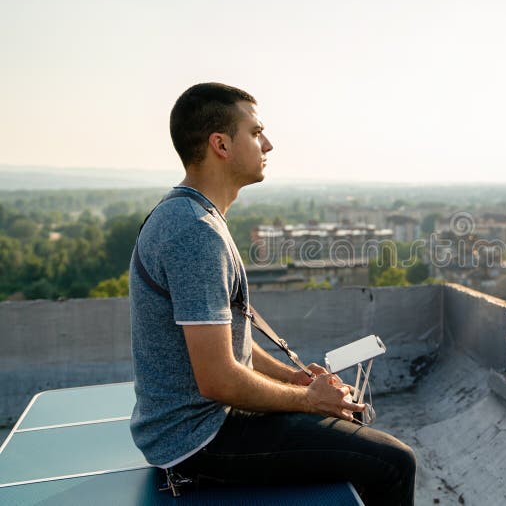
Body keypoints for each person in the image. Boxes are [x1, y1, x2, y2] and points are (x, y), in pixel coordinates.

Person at [129, 82, 416, 505]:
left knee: (354, 431)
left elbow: (227, 342)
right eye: (256, 132)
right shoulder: (195, 232)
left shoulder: (191, 216)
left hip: (196, 427)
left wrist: (292, 378)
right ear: (221, 145)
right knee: (395, 462)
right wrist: (308, 399)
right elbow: (217, 378)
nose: (268, 144)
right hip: (199, 441)